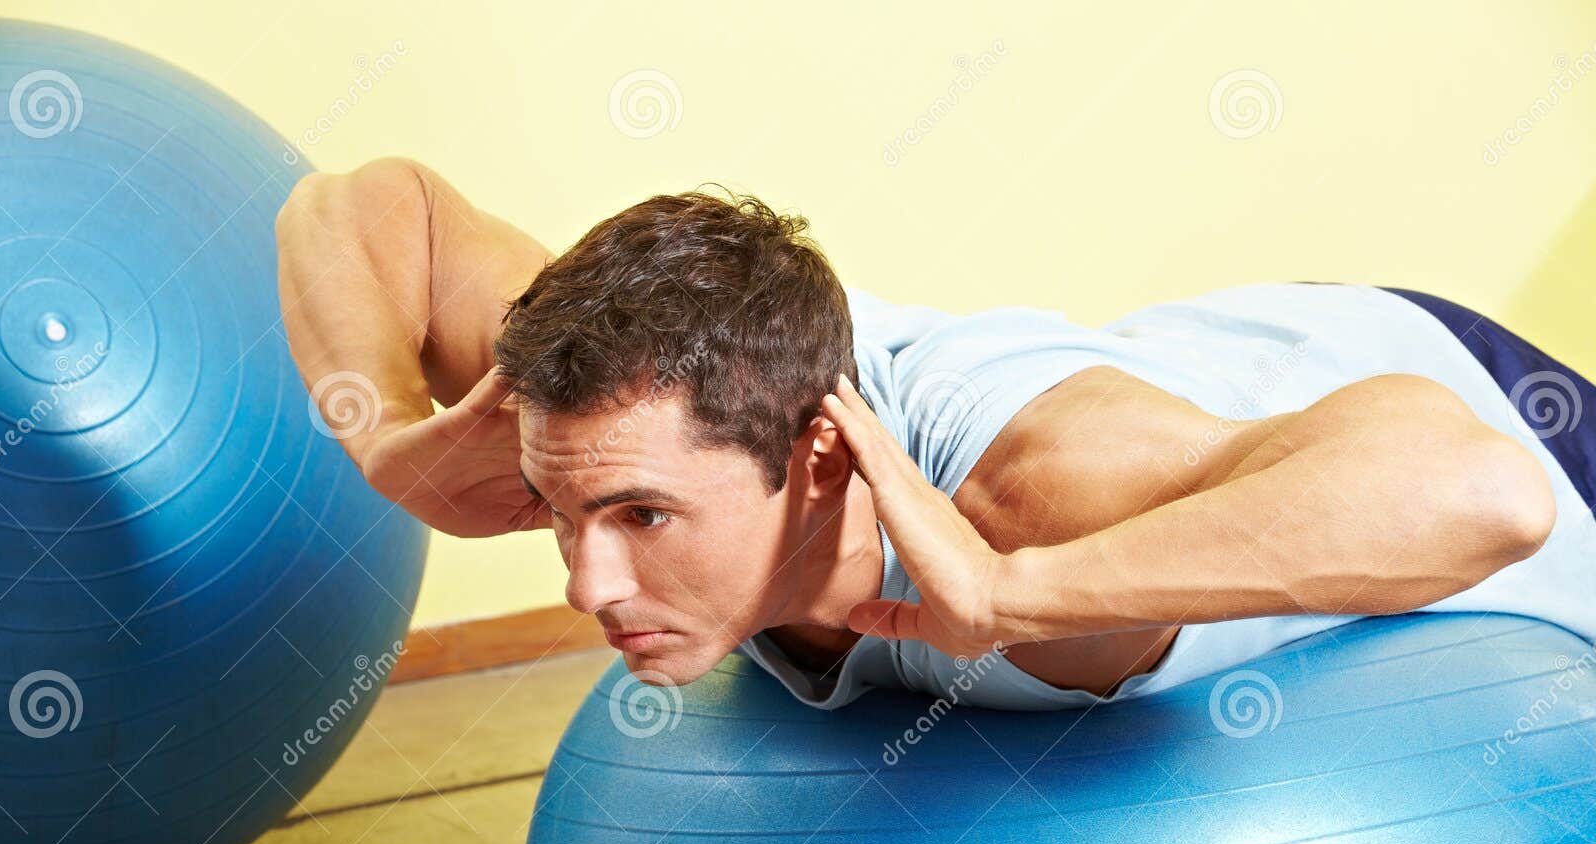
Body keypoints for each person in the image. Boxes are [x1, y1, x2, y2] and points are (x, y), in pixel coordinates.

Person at [276, 158, 1595, 711]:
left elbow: (1487, 491)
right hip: (1220, 344)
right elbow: (364, 204)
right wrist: (385, 439)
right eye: (567, 515)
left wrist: (1013, 594)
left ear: (818, 457)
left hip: (1485, 393)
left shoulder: (1036, 499)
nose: (585, 585)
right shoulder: (639, 391)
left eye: (641, 518)